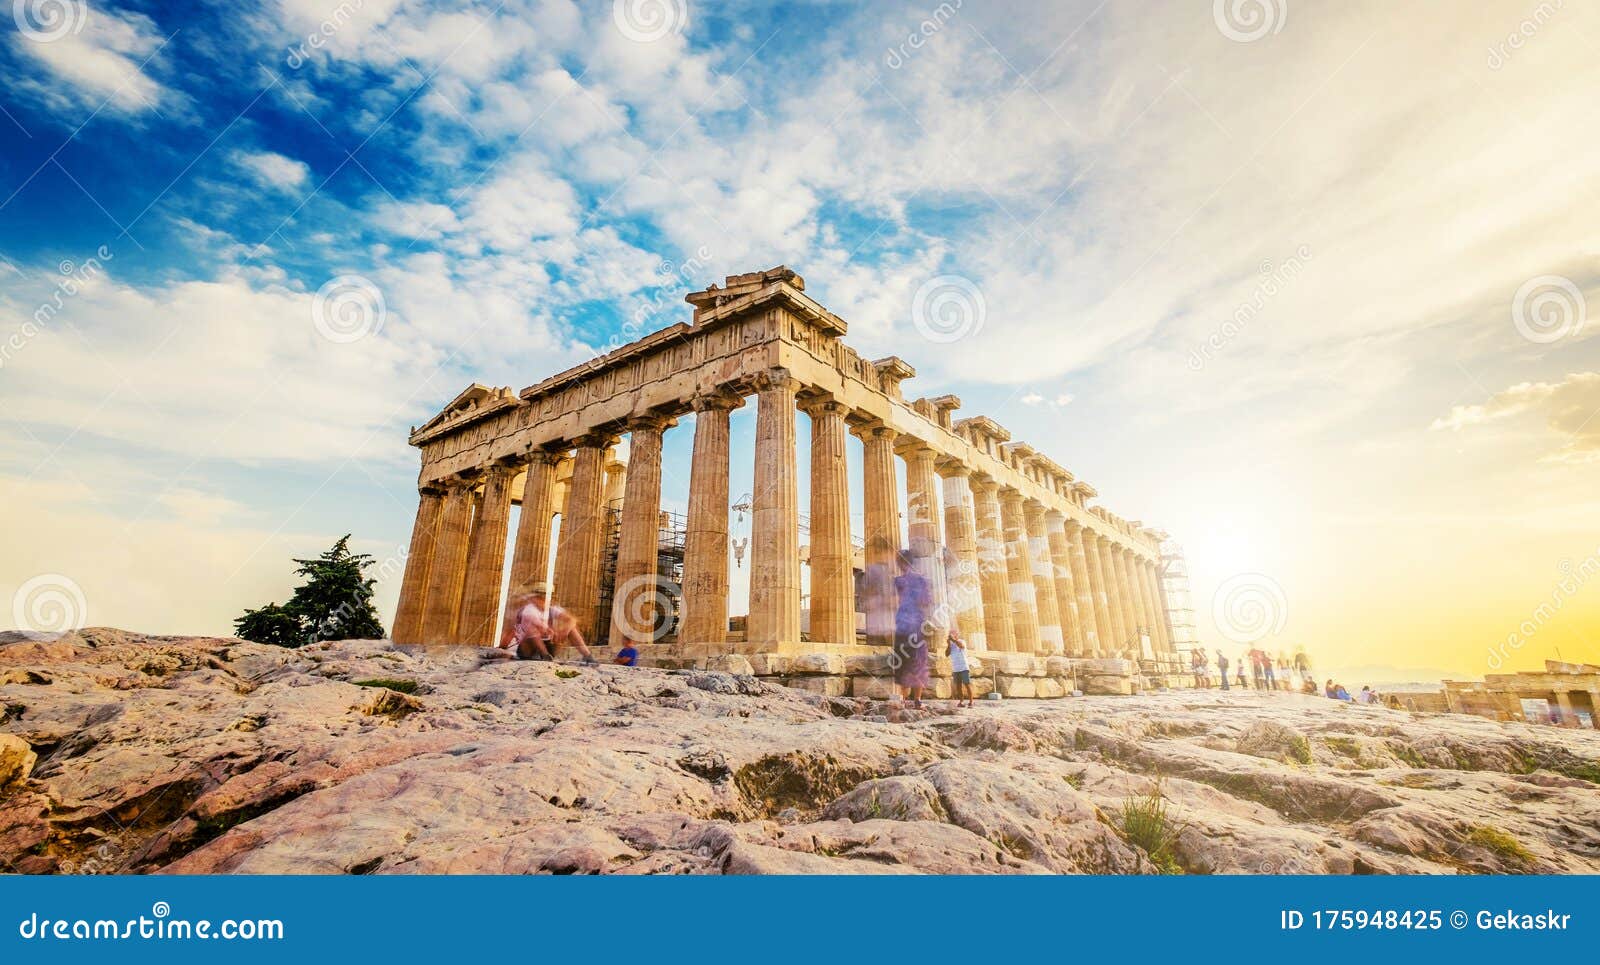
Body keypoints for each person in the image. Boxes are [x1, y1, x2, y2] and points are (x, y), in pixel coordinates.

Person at [496, 582, 598, 664]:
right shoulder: (528, 610)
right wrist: (502, 647)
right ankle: (544, 655)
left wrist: (564, 631)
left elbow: (572, 620)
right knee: (532, 630)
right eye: (541, 597)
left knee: (572, 628)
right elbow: (516, 629)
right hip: (528, 649)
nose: (543, 599)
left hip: (548, 646)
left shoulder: (552, 609)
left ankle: (587, 655)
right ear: (534, 598)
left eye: (545, 596)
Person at [891, 550, 933, 708]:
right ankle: (917, 700)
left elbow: (898, 600)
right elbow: (926, 601)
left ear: (900, 564)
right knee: (918, 661)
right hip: (915, 623)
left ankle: (903, 699)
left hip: (903, 624)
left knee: (903, 660)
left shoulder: (898, 581)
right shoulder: (920, 580)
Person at [947, 631, 973, 708]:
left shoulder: (962, 641)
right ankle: (961, 702)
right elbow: (946, 654)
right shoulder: (951, 645)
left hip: (963, 667)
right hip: (956, 668)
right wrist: (949, 645)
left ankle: (971, 702)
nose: (951, 635)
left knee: (967, 684)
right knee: (958, 686)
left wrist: (953, 640)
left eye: (953, 634)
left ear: (957, 635)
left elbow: (961, 646)